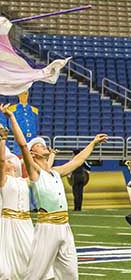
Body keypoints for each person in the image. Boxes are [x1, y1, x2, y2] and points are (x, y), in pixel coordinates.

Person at [2, 103, 107, 280]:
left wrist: (93, 143)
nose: (44, 146)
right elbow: (22, 145)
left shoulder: (56, 172)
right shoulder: (35, 173)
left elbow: (77, 161)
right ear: (33, 154)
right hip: (47, 227)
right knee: (36, 274)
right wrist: (11, 117)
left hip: (65, 226)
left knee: (71, 274)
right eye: (39, 146)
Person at [0, 126, 35, 280]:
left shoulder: (23, 181)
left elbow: (39, 173)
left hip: (25, 224)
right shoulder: (3, 180)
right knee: (6, 267)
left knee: (31, 261)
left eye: (12, 160)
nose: (12, 163)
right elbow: (1, 160)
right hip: (8, 224)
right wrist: (2, 140)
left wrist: (46, 158)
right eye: (9, 161)